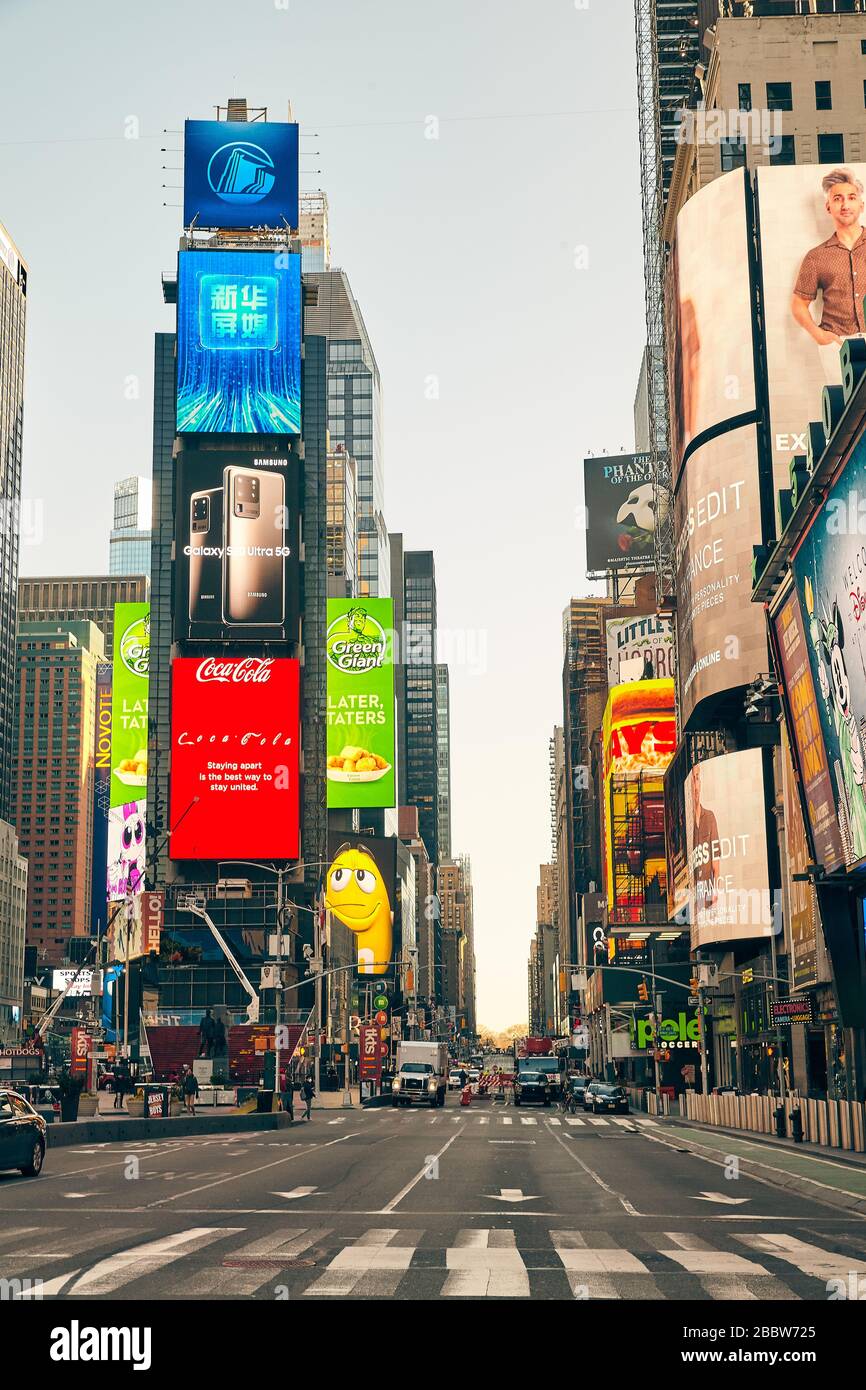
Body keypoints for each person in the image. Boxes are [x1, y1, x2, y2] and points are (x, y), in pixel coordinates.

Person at [792, 168, 866, 382]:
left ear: (861, 205)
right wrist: (819, 335)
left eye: (851, 198)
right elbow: (798, 303)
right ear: (828, 207)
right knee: (846, 413)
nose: (845, 204)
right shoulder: (816, 257)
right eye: (838, 199)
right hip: (837, 345)